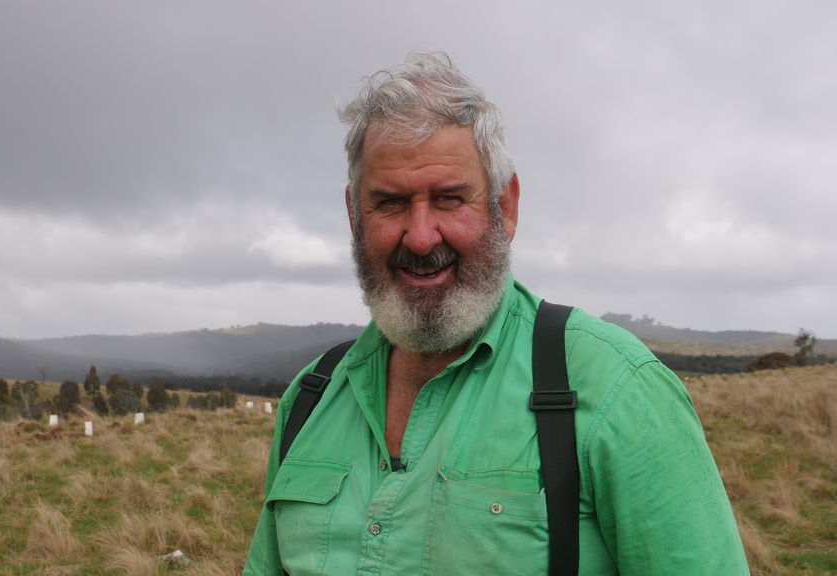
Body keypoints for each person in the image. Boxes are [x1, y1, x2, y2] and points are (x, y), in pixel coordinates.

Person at [243, 51, 749, 575]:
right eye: (390, 203)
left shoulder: (618, 388)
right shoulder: (309, 399)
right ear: (354, 215)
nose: (420, 237)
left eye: (449, 199)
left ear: (504, 206)